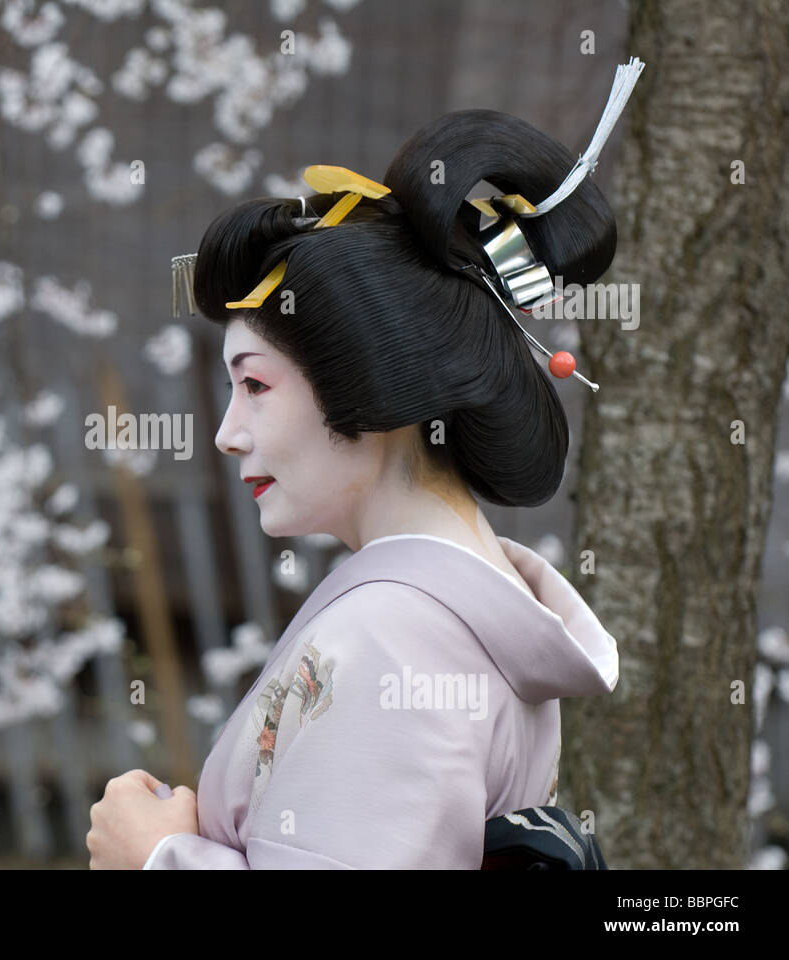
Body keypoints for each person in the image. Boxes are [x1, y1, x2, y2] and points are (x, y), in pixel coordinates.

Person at [87, 59, 646, 867]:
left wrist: (157, 856)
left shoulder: (392, 639)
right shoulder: (461, 616)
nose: (227, 434)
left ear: (374, 388)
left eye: (255, 386)